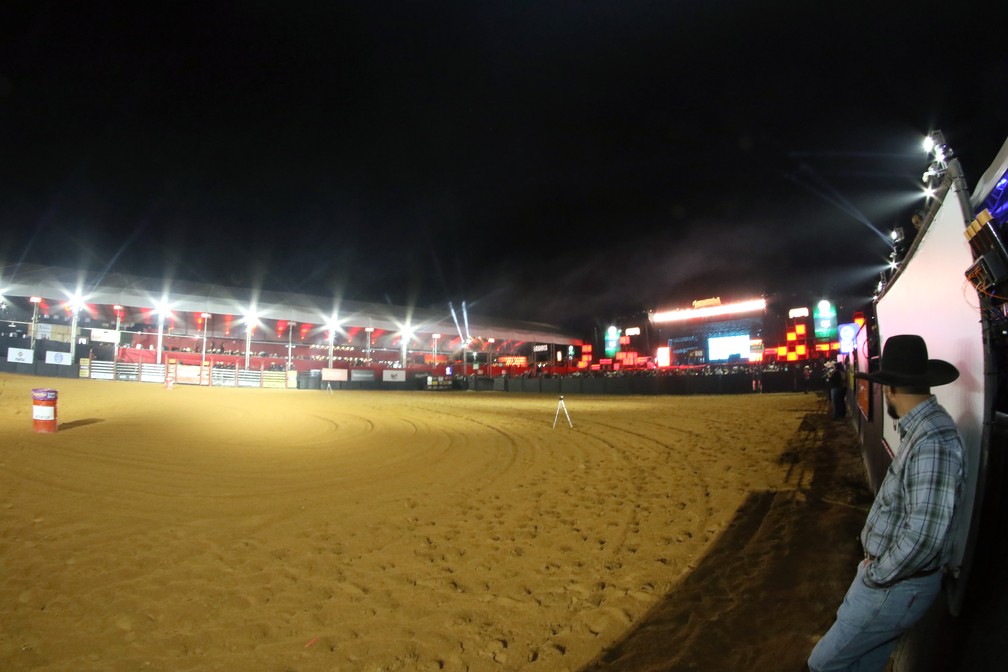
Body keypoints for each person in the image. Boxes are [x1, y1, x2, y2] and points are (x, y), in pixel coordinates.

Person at [808, 334, 966, 671]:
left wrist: (877, 574)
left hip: (894, 586)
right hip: (897, 583)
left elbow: (924, 536)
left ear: (890, 389)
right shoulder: (926, 431)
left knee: (822, 664)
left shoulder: (932, 440)